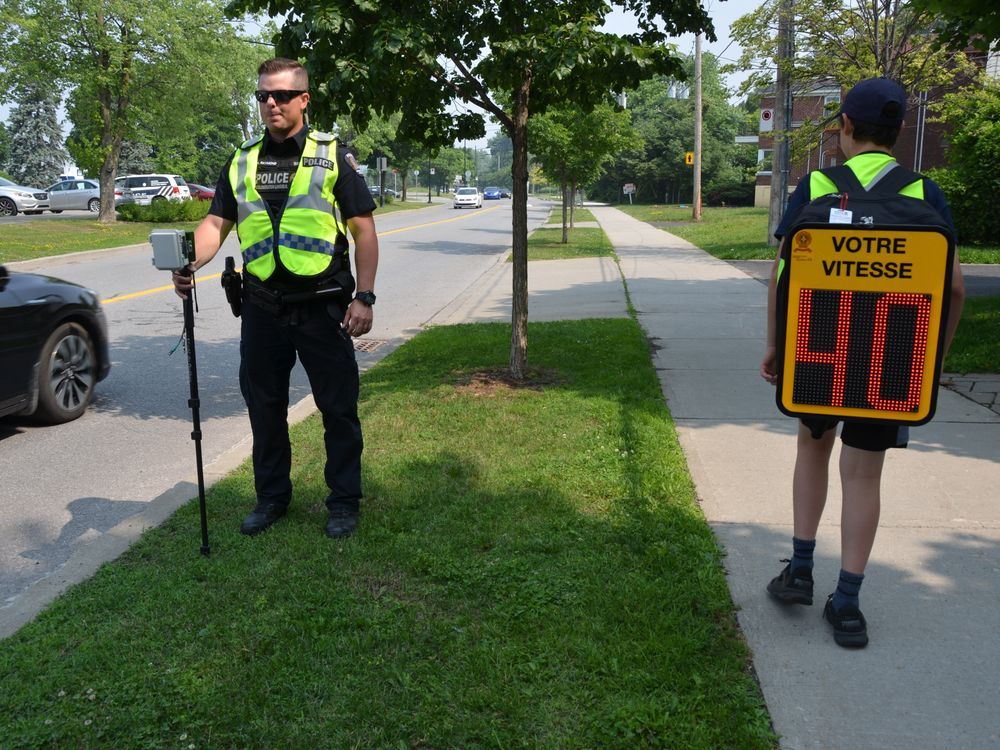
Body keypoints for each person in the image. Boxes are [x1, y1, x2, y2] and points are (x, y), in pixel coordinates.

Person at [760, 77, 966, 648]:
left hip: (819, 347)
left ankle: (800, 569)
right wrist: (932, 360)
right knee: (865, 474)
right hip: (894, 357)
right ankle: (847, 604)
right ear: (898, 133)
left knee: (812, 449)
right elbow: (952, 289)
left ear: (844, 126)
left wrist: (775, 343)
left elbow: (783, 270)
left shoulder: (817, 184)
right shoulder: (924, 193)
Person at [173, 57, 379, 539]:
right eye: (263, 95)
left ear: (303, 100)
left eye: (282, 95)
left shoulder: (333, 156)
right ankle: (271, 498)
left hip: (324, 305)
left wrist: (364, 297)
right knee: (264, 408)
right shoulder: (241, 161)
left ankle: (344, 501)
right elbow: (215, 225)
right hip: (263, 306)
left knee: (338, 408)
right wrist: (191, 262)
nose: (271, 103)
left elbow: (364, 232)